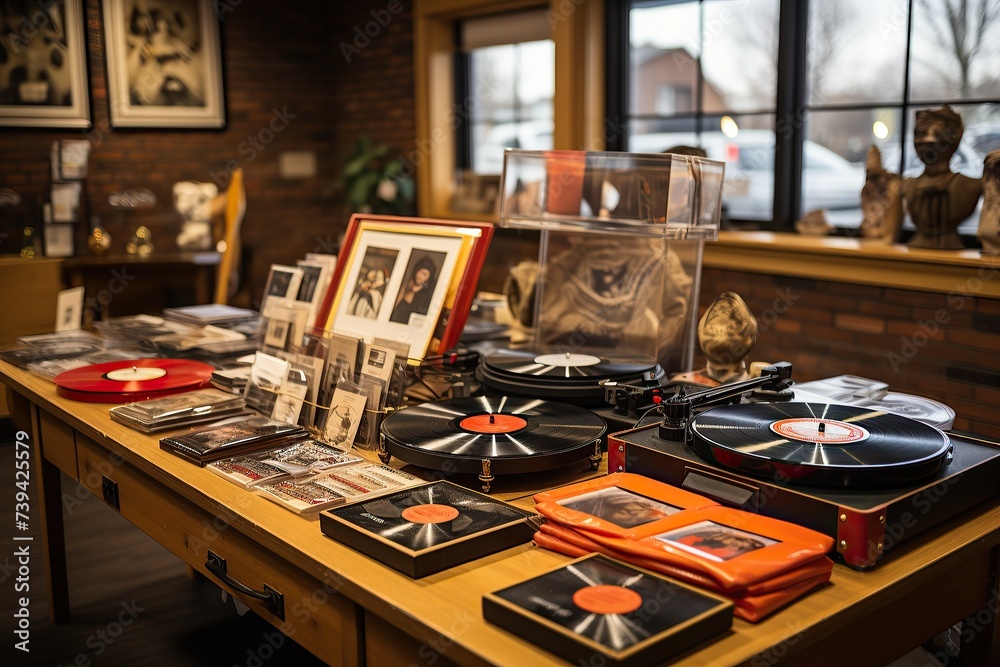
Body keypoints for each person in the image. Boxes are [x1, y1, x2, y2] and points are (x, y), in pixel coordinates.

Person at [390, 256, 436, 324]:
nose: (420, 276)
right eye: (419, 271)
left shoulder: (426, 294)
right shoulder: (406, 286)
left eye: (424, 274)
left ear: (428, 277)